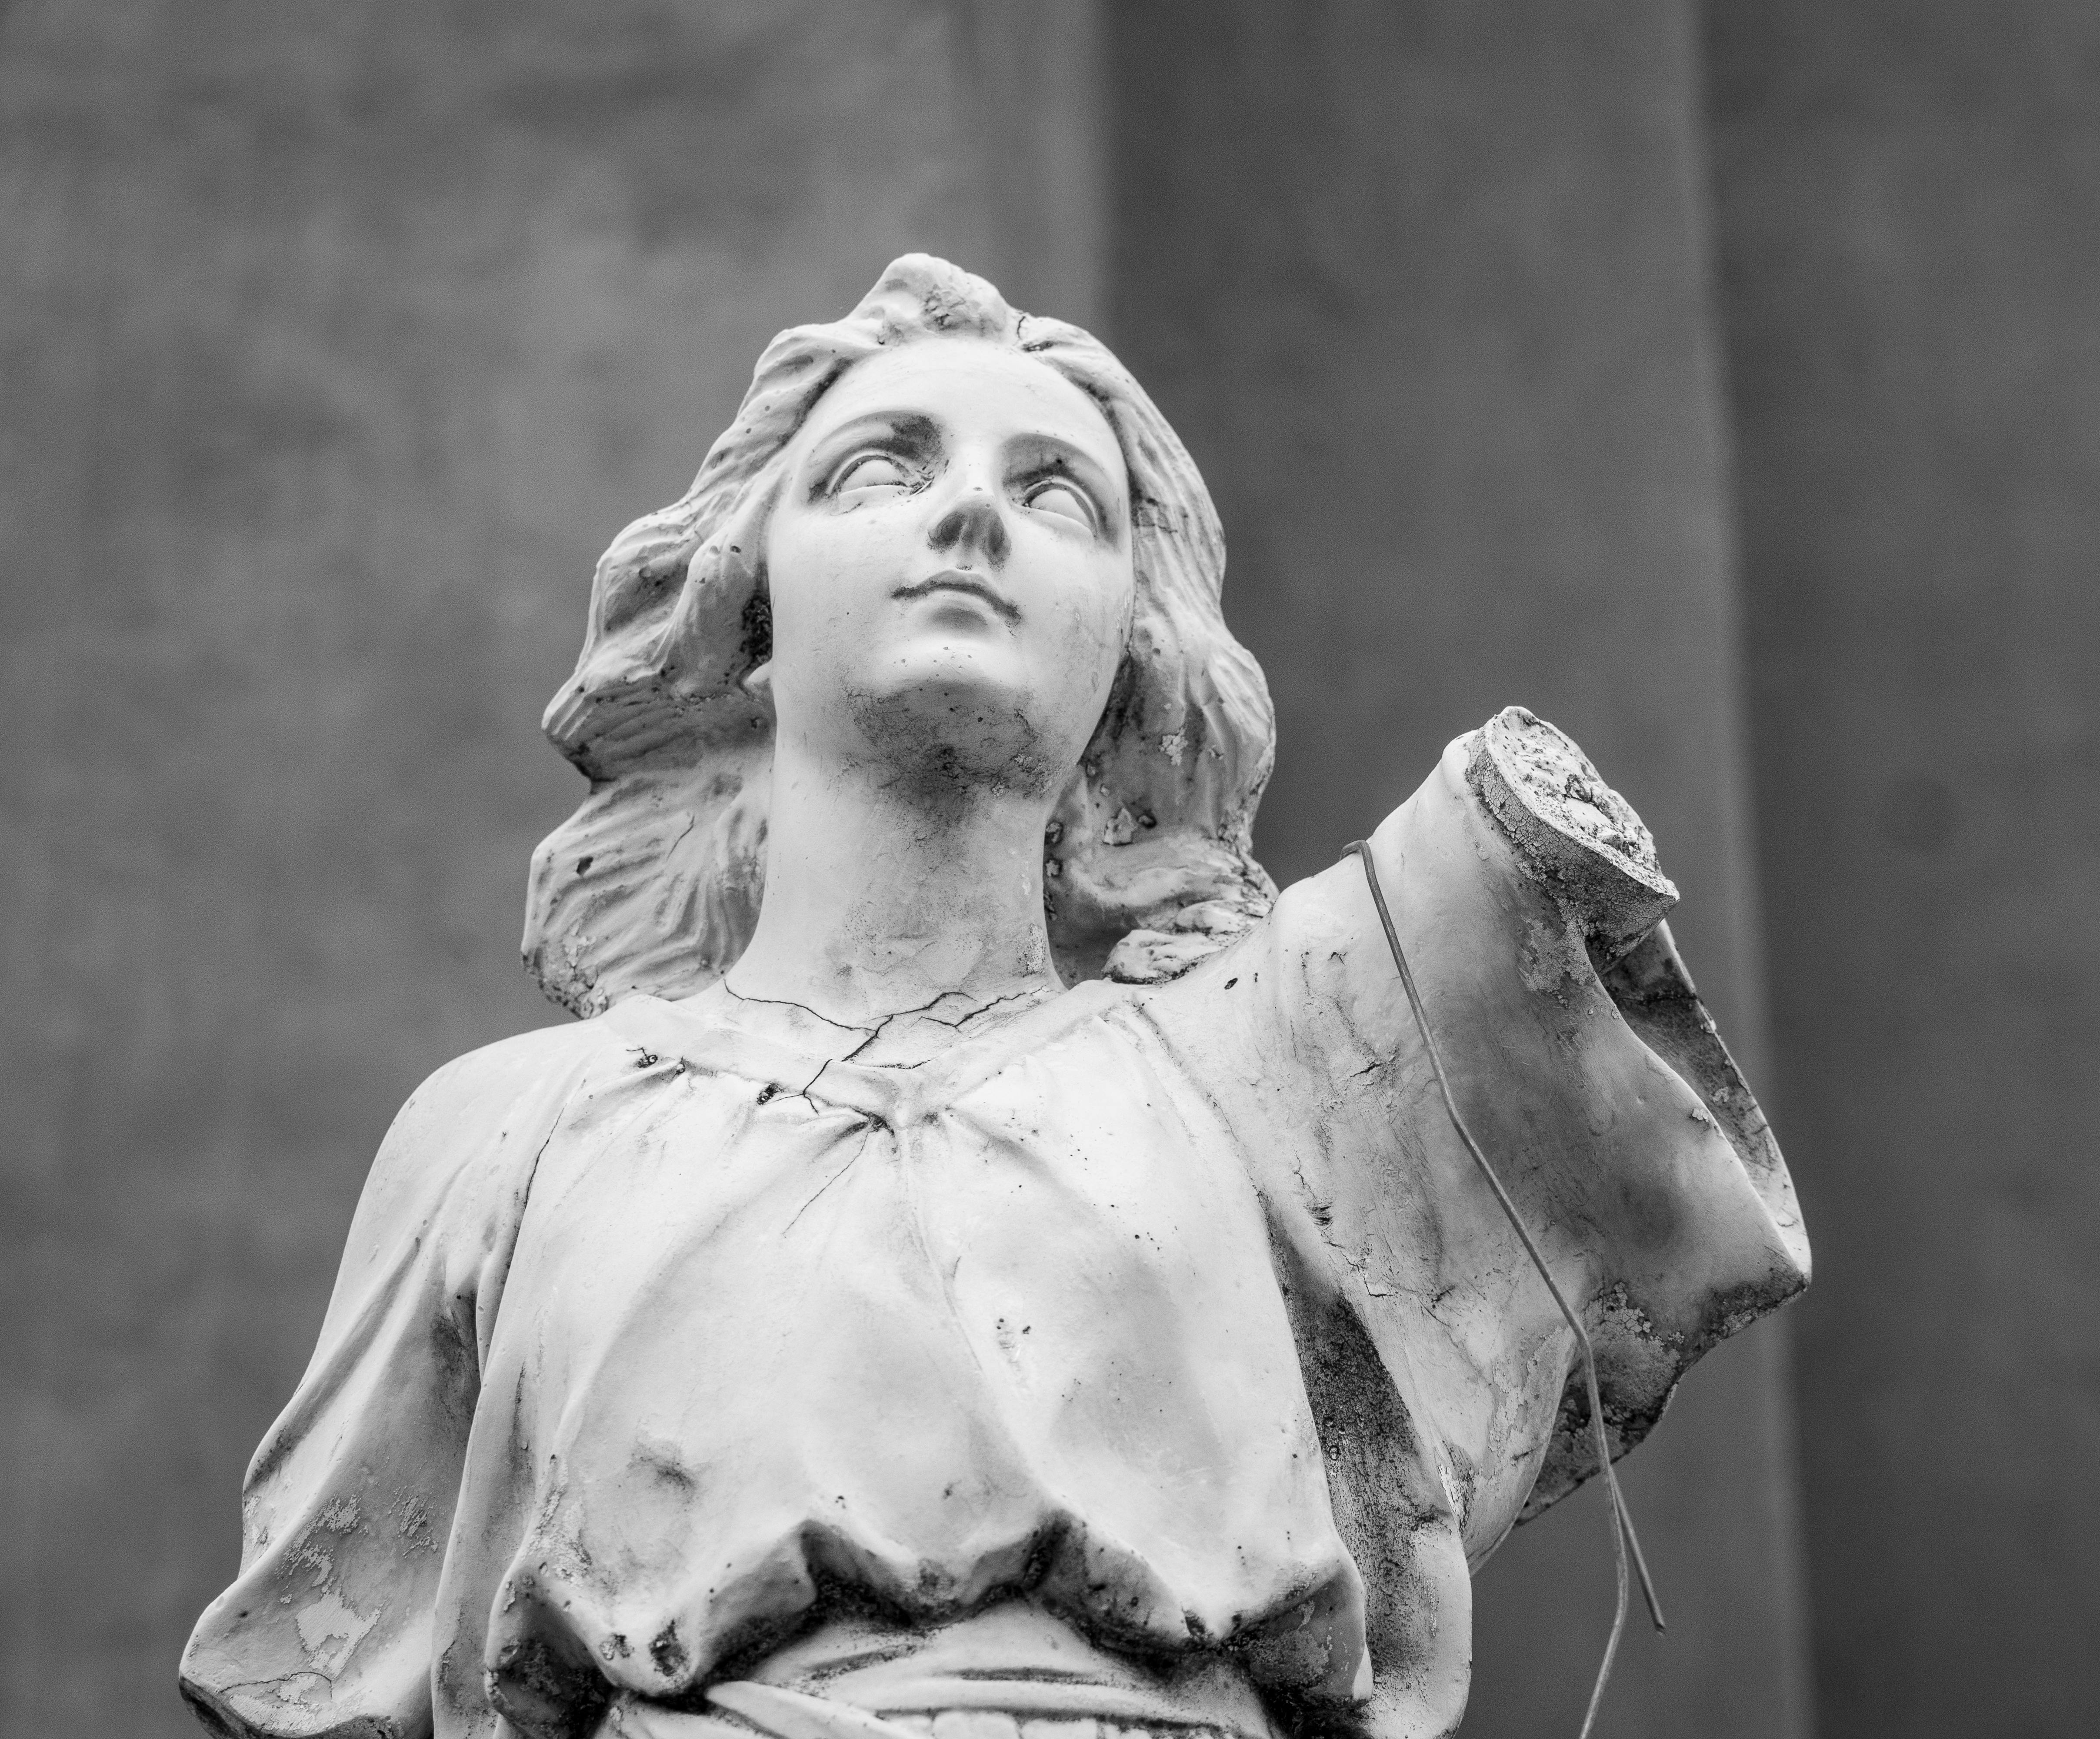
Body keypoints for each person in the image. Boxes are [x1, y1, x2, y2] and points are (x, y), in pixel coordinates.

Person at [180, 256, 1808, 1739]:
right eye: (883, 468)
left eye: (1057, 498)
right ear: (748, 612)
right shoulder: (509, 1137)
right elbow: (327, 1685)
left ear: (1128, 659)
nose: (970, 519)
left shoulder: (1278, 1074)